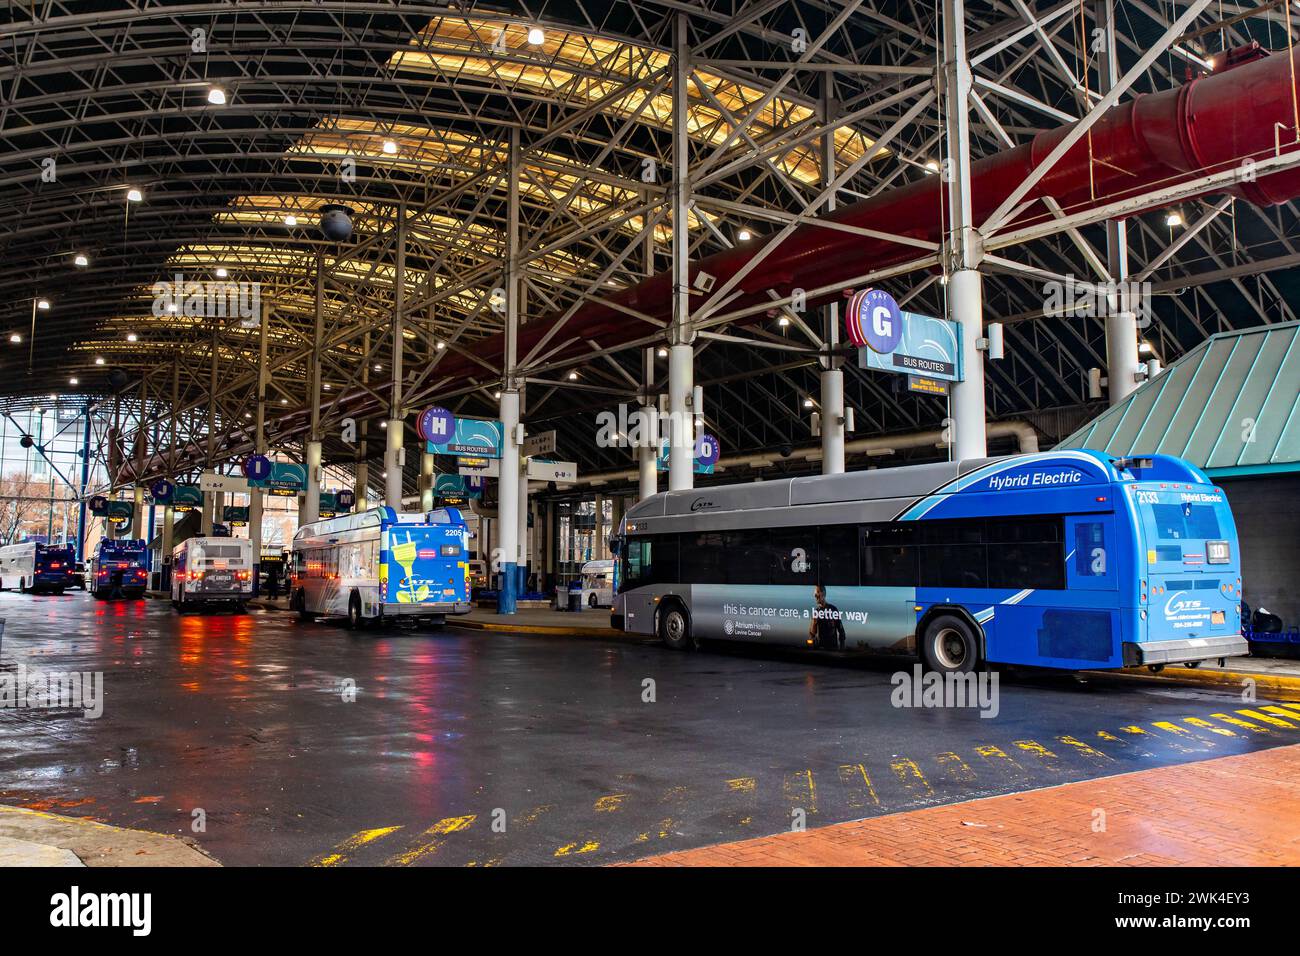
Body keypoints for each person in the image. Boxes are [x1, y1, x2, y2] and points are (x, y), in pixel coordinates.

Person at [808, 584, 846, 650]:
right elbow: (812, 634)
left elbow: (841, 631)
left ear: (823, 594)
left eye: (818, 592)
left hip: (833, 650)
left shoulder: (833, 609)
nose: (815, 596)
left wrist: (842, 650)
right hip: (820, 649)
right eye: (815, 594)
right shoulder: (816, 612)